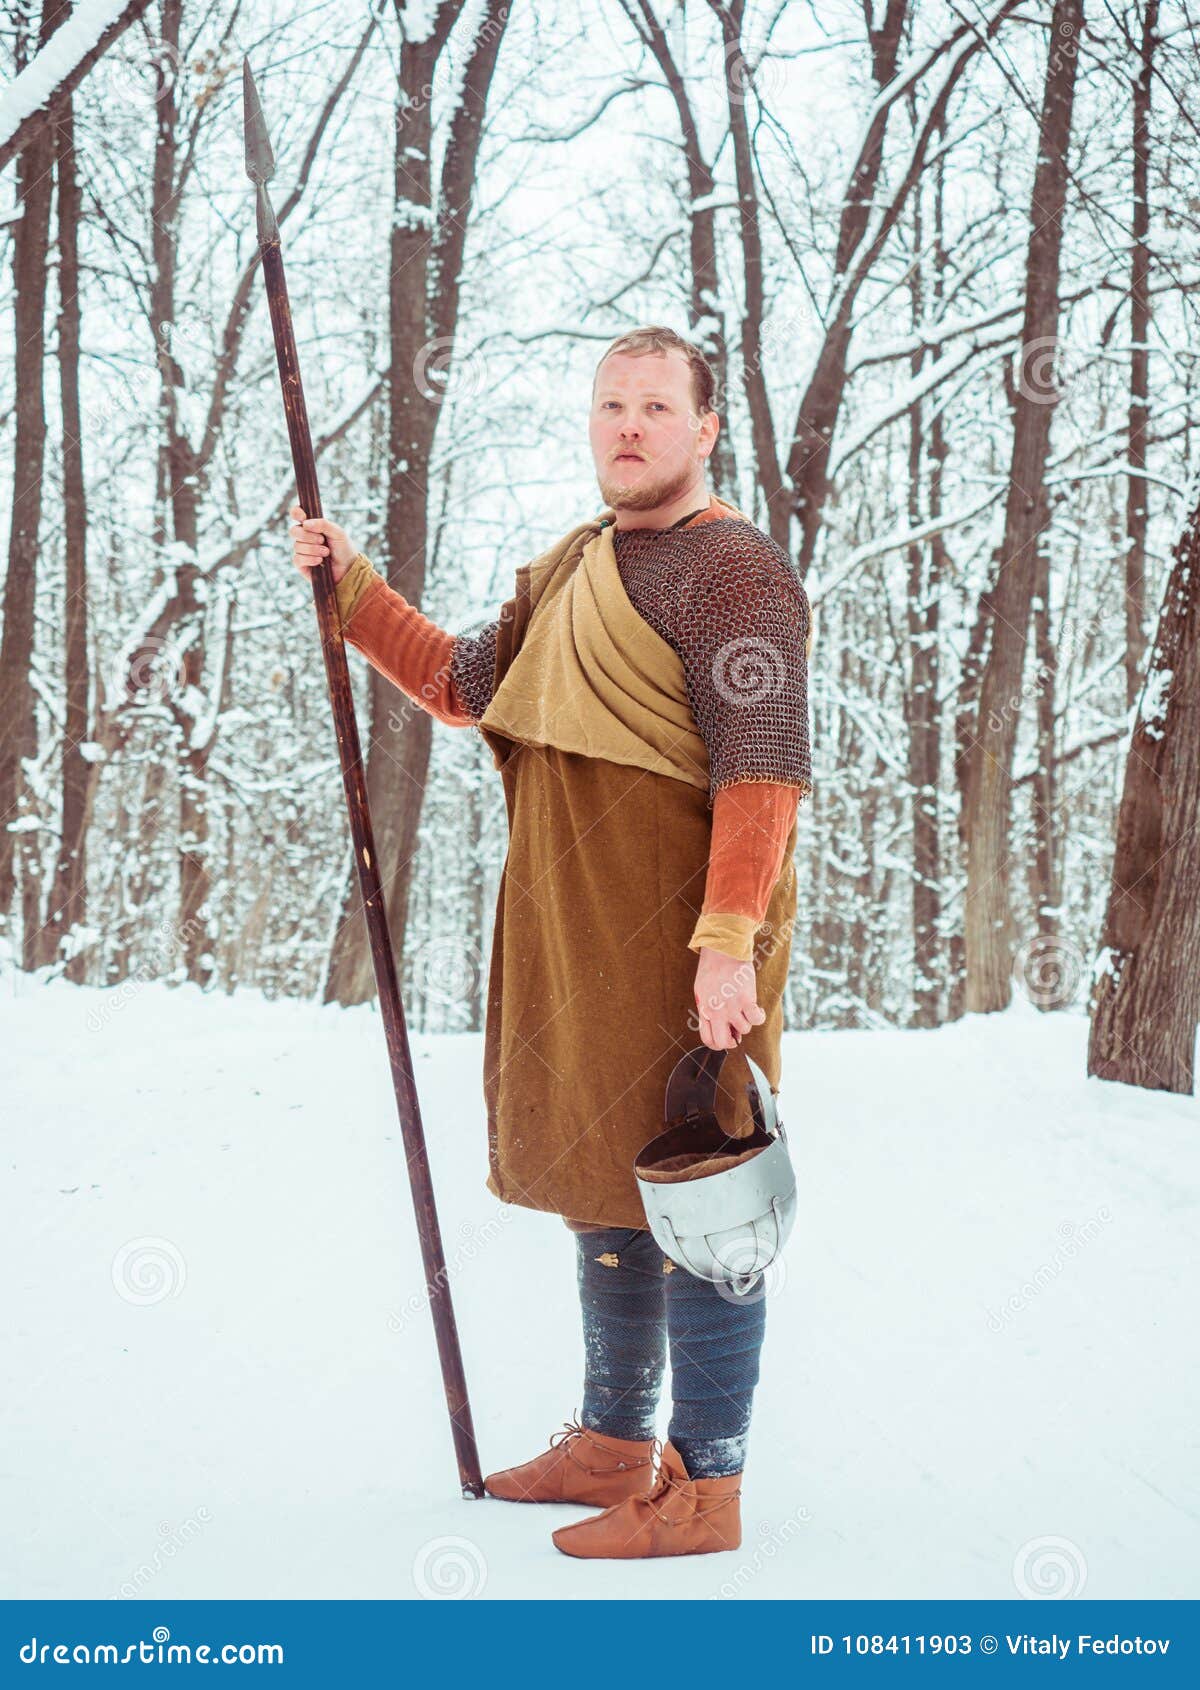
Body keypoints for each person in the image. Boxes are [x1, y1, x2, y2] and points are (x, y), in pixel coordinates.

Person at [290, 325, 812, 1560]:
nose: (629, 427)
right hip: (574, 930)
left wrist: (729, 937)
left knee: (706, 1189)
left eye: (655, 407)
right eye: (609, 406)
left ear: (704, 429)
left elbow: (764, 769)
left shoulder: (733, 569)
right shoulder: (572, 564)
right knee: (602, 1179)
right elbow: (464, 681)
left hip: (687, 935)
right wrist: (356, 592)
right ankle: (612, 1441)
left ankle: (706, 1486)